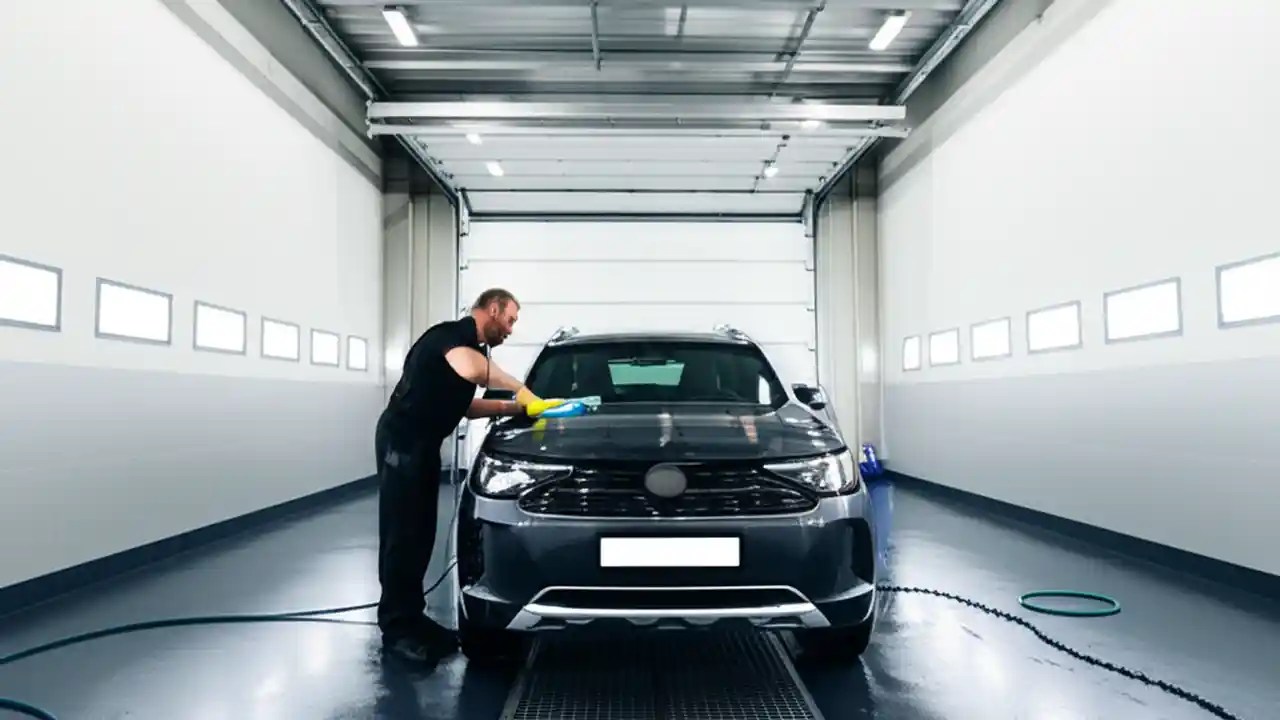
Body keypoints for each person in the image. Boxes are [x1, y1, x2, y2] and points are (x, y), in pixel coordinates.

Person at [374, 288, 561, 664]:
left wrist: (518, 410)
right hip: (402, 443)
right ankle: (396, 630)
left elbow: (468, 406)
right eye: (509, 320)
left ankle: (414, 617)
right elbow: (474, 370)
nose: (510, 330)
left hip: (422, 446)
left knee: (421, 531)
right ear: (492, 310)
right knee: (402, 533)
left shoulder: (468, 350)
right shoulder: (451, 336)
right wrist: (522, 390)